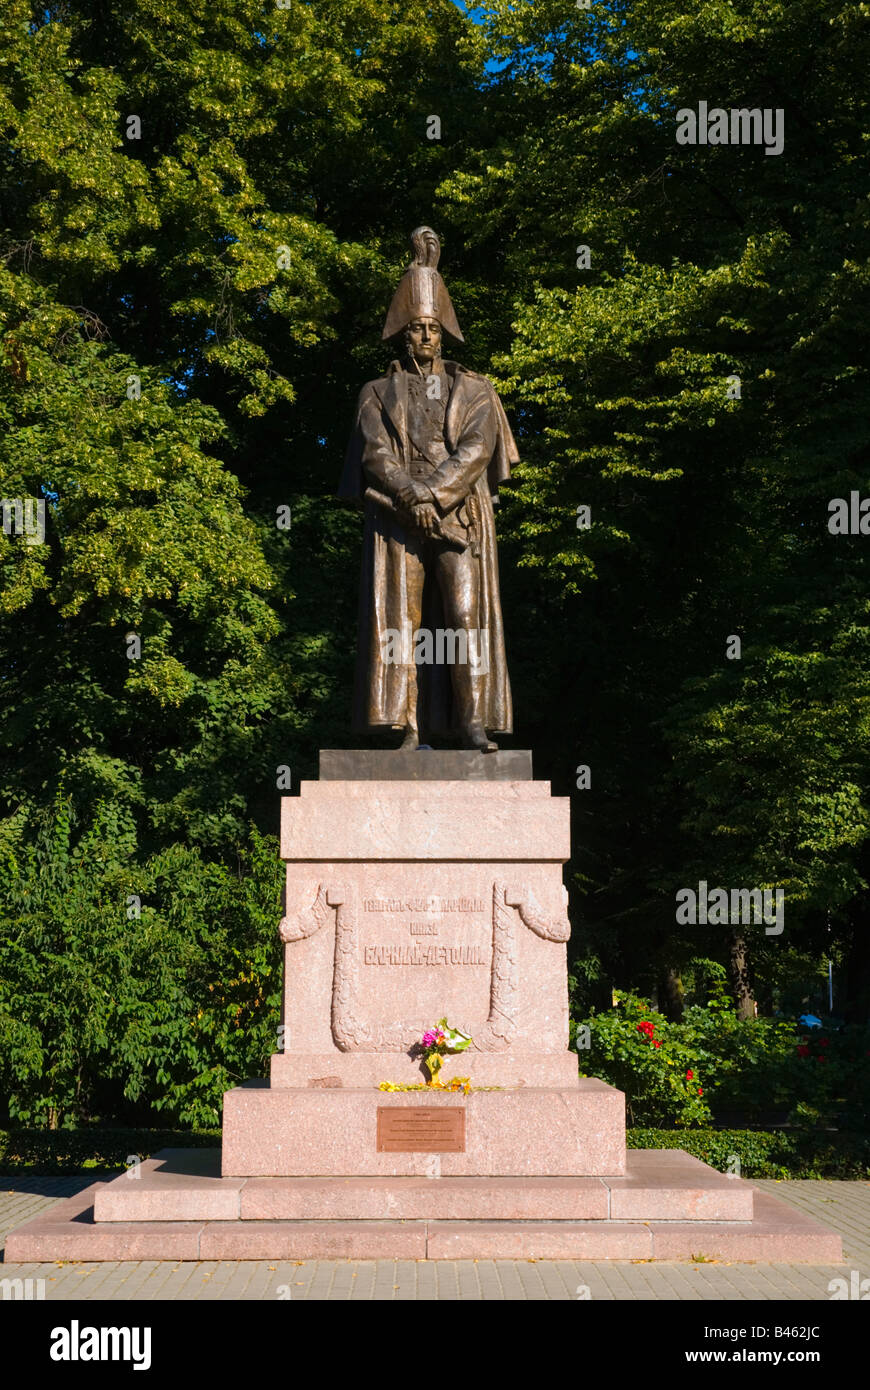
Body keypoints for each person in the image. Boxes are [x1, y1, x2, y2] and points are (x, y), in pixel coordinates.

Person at [340, 227, 517, 751]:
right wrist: (410, 498)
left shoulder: (477, 390)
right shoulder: (374, 393)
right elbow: (375, 453)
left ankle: (473, 722)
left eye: (432, 329)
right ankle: (406, 727)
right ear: (403, 334)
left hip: (458, 516)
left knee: (465, 617)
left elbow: (476, 450)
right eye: (416, 328)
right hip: (397, 518)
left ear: (444, 334)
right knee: (402, 622)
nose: (424, 337)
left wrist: (433, 496)